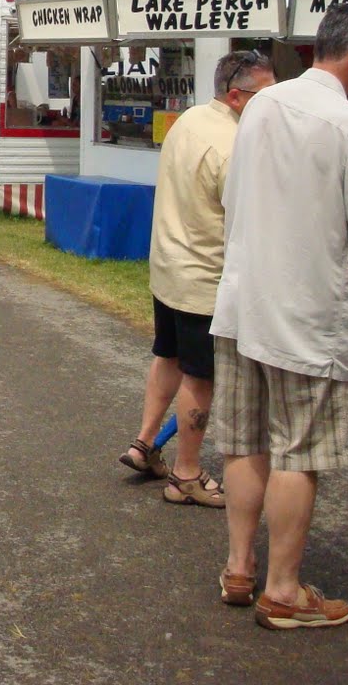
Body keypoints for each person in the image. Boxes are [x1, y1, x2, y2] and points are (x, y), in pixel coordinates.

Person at [210, 1, 348, 629]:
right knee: (298, 452)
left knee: (243, 440)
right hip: (307, 315)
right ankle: (284, 590)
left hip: (242, 302)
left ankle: (240, 566)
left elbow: (236, 195)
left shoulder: (261, 105)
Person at [119, 50, 277, 507]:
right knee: (200, 377)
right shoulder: (235, 148)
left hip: (168, 266)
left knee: (167, 355)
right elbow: (248, 219)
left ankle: (145, 443)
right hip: (204, 280)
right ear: (235, 95)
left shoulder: (188, 119)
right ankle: (186, 473)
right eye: (266, 95)